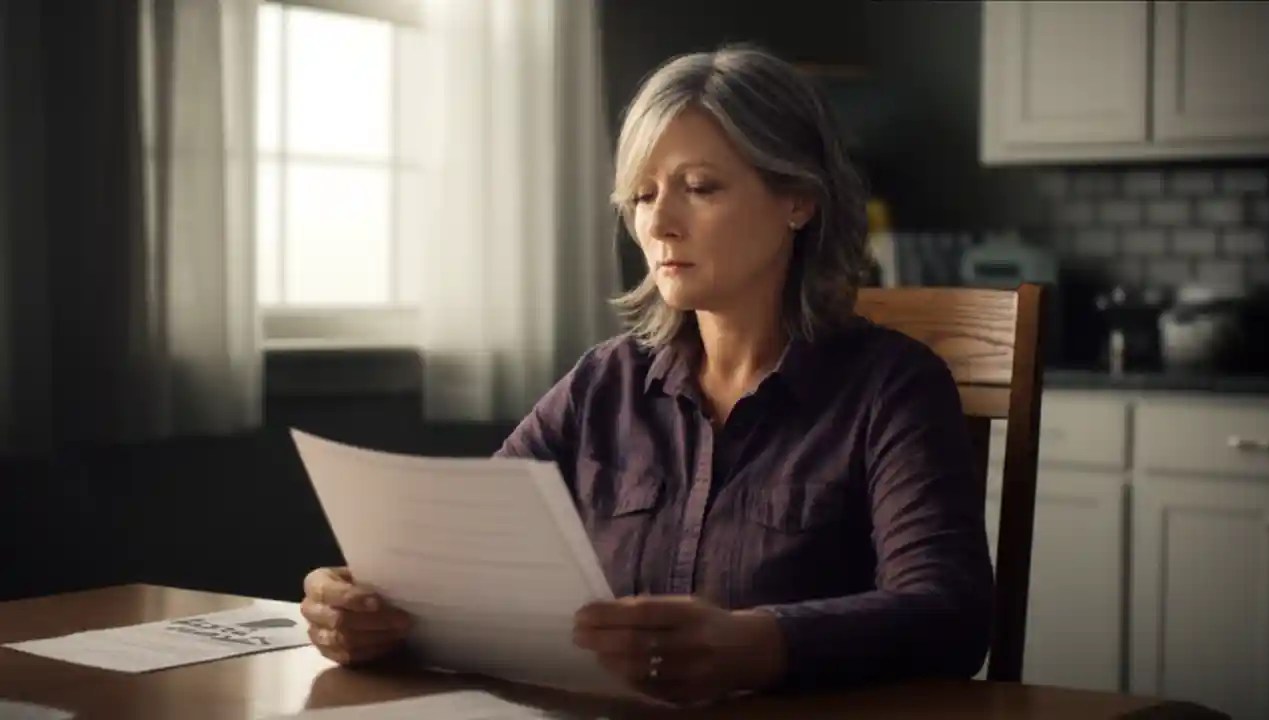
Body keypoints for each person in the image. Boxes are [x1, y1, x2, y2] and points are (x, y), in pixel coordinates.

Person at [300, 44, 994, 706]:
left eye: (699, 187)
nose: (659, 222)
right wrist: (363, 600)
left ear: (798, 200)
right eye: (641, 193)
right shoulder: (601, 385)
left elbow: (949, 613)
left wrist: (757, 643)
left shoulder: (892, 387)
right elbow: (462, 564)